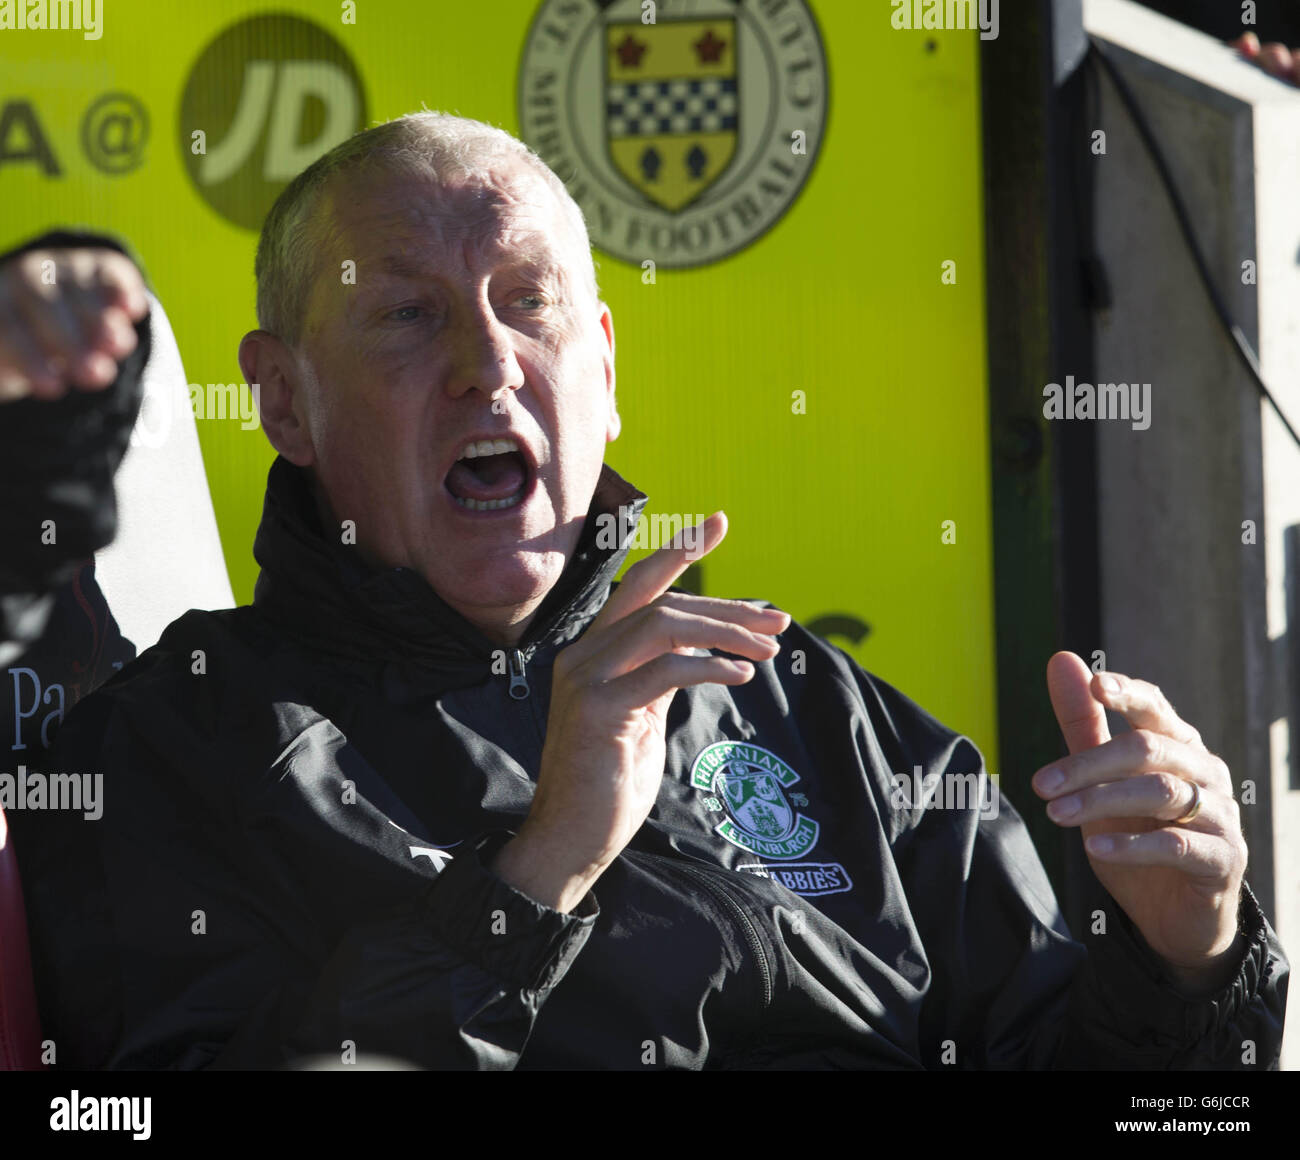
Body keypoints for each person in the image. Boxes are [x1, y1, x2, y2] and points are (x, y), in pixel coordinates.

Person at [1, 113, 1288, 1070]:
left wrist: (1191, 958)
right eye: (406, 315)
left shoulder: (802, 697)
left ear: (605, 370)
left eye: (529, 303)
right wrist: (535, 875)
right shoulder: (167, 748)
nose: (487, 361)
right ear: (284, 399)